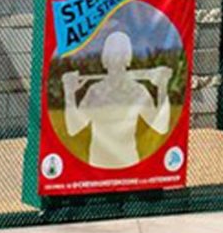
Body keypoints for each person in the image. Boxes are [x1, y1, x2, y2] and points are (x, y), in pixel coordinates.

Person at [60, 29, 176, 171]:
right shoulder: (95, 92)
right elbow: (73, 128)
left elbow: (160, 127)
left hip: (128, 164)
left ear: (127, 59)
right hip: (98, 165)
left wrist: (163, 88)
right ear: (105, 59)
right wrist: (69, 93)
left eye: (120, 56)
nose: (116, 61)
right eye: (112, 55)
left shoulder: (137, 92)